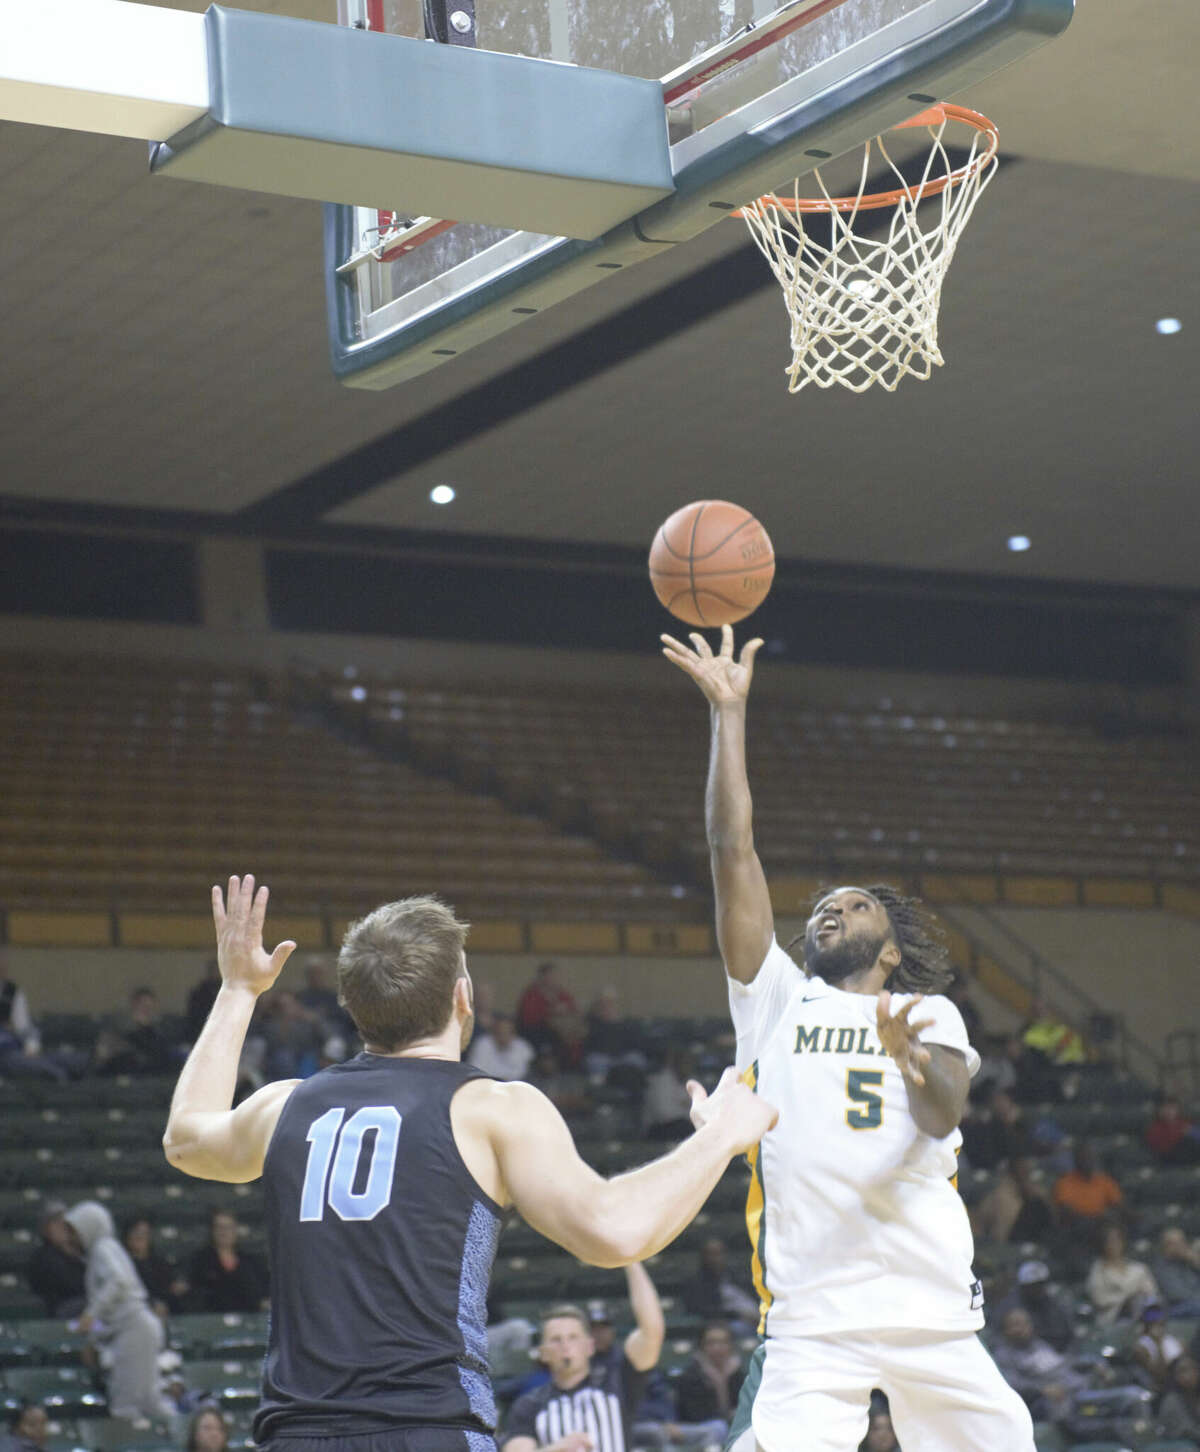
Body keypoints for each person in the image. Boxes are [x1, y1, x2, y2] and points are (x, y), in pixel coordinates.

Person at [162, 875, 775, 1452]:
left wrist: (238, 990)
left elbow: (184, 1140)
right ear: (463, 995)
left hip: (295, 1434)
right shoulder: (491, 1108)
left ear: (354, 1005)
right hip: (429, 1427)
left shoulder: (285, 1105)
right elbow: (616, 1231)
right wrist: (719, 1137)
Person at [662, 624, 1035, 1452]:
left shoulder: (930, 1014)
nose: (832, 909)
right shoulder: (774, 1001)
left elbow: (941, 1118)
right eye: (823, 906)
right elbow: (732, 850)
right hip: (813, 1313)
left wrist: (909, 1061)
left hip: (926, 1301)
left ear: (893, 947)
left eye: (856, 903)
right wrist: (729, 714)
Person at [505, 1264, 664, 1452]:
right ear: (543, 1352)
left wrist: (632, 1262)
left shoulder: (616, 1382)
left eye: (573, 1337)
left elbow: (651, 1332)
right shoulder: (530, 1404)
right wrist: (558, 1449)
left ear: (589, 1346)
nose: (565, 1345)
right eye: (556, 1340)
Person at [61, 1200, 177, 1425]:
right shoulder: (103, 1251)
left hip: (135, 1330)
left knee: (125, 1405)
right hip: (138, 1329)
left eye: (74, 1231)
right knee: (150, 1402)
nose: (71, 1238)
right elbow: (111, 1309)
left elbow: (118, 1282)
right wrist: (93, 1338)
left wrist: (91, 1314)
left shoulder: (104, 1248)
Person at [990, 1307, 1085, 1425]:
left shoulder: (1038, 1345)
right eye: (1015, 1325)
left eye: (1025, 1324)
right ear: (1005, 1330)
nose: (1022, 1329)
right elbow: (1012, 1383)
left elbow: (1060, 1364)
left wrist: (1092, 1367)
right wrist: (1041, 1389)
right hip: (1039, 1402)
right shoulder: (1003, 1354)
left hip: (1070, 1387)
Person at [187, 1209, 269, 1313]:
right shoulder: (199, 1261)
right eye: (220, 1227)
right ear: (212, 1231)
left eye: (229, 1227)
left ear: (235, 1230)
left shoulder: (251, 1262)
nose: (224, 1232)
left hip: (248, 1321)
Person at [673, 1322, 746, 1433]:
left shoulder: (739, 1373)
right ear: (702, 1346)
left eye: (723, 1342)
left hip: (732, 1425)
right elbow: (693, 1414)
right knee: (718, 1428)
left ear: (731, 1345)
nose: (717, 1348)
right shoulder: (690, 1376)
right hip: (698, 1428)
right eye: (711, 1343)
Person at [992, 1261, 1075, 1354]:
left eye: (1041, 1284)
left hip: (1048, 1353)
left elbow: (1065, 1334)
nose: (1037, 1288)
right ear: (1023, 1286)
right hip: (1014, 1353)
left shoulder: (1053, 1303)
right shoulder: (1009, 1305)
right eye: (1032, 1285)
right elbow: (998, 1336)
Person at [1086, 1222, 1159, 1326]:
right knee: (1135, 1301)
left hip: (1143, 1311)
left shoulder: (1138, 1268)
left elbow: (1151, 1292)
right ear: (1103, 1244)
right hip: (1114, 1318)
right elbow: (1100, 1300)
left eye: (1117, 1240)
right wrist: (1127, 1298)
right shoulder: (1097, 1272)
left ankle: (1151, 1330)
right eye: (1110, 1241)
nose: (1114, 1244)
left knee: (1150, 1302)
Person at [94, 987, 177, 1077]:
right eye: (143, 1007)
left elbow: (160, 1056)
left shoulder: (156, 1033)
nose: (147, 1011)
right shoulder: (118, 1029)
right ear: (134, 1005)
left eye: (150, 1008)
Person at [681, 1238, 758, 1331]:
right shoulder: (695, 1283)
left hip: (754, 1318)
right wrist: (736, 1314)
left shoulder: (737, 1277)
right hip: (723, 1324)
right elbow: (700, 1310)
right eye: (711, 1254)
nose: (715, 1258)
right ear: (703, 1256)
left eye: (719, 1253)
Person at [25, 1201, 86, 1317]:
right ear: (45, 1228)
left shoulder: (81, 1251)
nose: (62, 1226)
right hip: (59, 1311)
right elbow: (71, 1285)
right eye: (56, 1222)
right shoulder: (42, 1257)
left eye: (65, 1222)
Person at [122, 1215, 189, 1317]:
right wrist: (150, 1305)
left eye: (144, 1233)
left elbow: (169, 1288)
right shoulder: (121, 1265)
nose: (140, 1237)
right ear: (128, 1236)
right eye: (136, 1232)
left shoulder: (160, 1263)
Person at [1052, 1142, 1124, 1232]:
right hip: (1078, 1228)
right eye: (1083, 1158)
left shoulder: (1105, 1180)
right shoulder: (1064, 1183)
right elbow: (1066, 1211)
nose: (1087, 1161)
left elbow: (1119, 1205)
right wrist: (1095, 1218)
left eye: (1090, 1157)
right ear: (1076, 1160)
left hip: (1104, 1225)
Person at [1132, 1302, 1184, 1397]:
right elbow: (1160, 1376)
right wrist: (1158, 1344)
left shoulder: (1173, 1340)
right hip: (1165, 1389)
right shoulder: (1141, 1346)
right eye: (1152, 1318)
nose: (1157, 1323)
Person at [467, 1013, 536, 1082]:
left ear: (513, 1032)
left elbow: (523, 1073)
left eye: (507, 1031)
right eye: (500, 1031)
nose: (503, 1035)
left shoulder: (524, 1048)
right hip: (486, 1085)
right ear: (493, 1031)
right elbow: (476, 1071)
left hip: (515, 1088)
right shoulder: (482, 1043)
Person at [1151, 1226, 1200, 1316]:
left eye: (1182, 1241)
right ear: (1165, 1246)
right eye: (1175, 1243)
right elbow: (1176, 1295)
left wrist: (1195, 1261)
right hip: (1175, 1308)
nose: (1181, 1246)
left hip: (1194, 1304)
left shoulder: (1189, 1262)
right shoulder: (1161, 1267)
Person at [1146, 1094, 1200, 1166]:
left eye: (1172, 1108)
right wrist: (1180, 1134)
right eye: (1165, 1108)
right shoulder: (1154, 1128)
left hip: (1190, 1154)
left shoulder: (1184, 1123)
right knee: (1188, 1141)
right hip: (1169, 1157)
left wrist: (1190, 1132)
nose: (1169, 1111)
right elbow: (1160, 1147)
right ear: (1159, 1110)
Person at [1157, 1354, 1200, 1442]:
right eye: (1183, 1371)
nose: (1190, 1374)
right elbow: (1187, 1432)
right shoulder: (1171, 1401)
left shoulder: (1196, 1395)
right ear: (1174, 1376)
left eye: (1194, 1369)